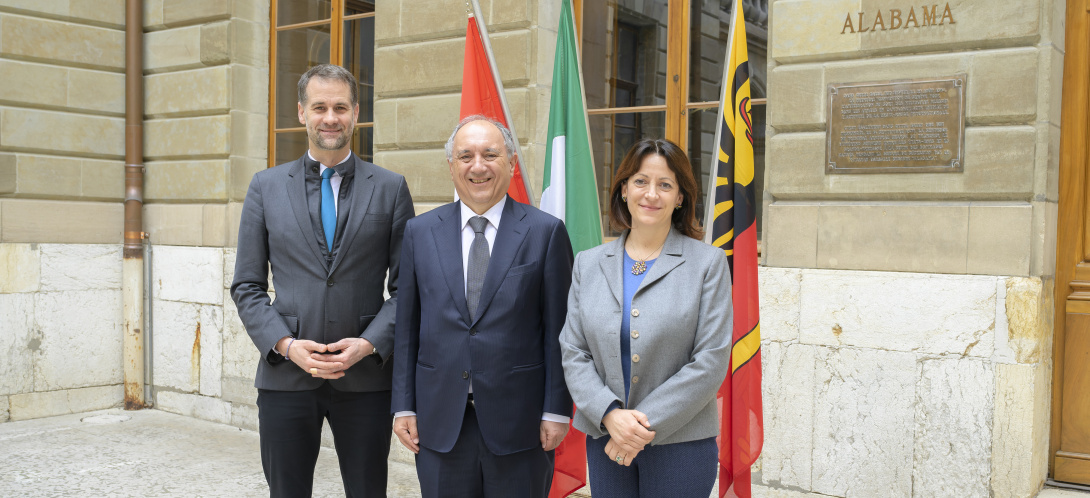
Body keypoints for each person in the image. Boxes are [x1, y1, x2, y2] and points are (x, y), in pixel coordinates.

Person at [231, 64, 415, 497]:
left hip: (366, 377)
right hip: (286, 375)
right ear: (301, 113)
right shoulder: (265, 187)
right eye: (319, 107)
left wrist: (369, 344)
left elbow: (408, 288)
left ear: (355, 113)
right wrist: (286, 345)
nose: (329, 117)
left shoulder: (390, 188)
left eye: (339, 107)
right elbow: (247, 285)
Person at [391, 115, 574, 498]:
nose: (478, 166)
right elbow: (407, 327)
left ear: (510, 163)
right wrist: (403, 406)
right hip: (439, 422)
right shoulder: (419, 233)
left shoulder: (545, 232)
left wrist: (556, 409)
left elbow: (560, 331)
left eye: (490, 155)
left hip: (521, 425)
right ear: (451, 166)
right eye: (466, 156)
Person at [559, 138, 733, 497]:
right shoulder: (588, 264)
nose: (651, 194)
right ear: (624, 189)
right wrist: (609, 414)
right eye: (640, 181)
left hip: (681, 444)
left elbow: (711, 361)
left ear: (680, 197)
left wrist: (637, 427)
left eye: (665, 184)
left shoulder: (708, 264)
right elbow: (573, 351)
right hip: (606, 439)